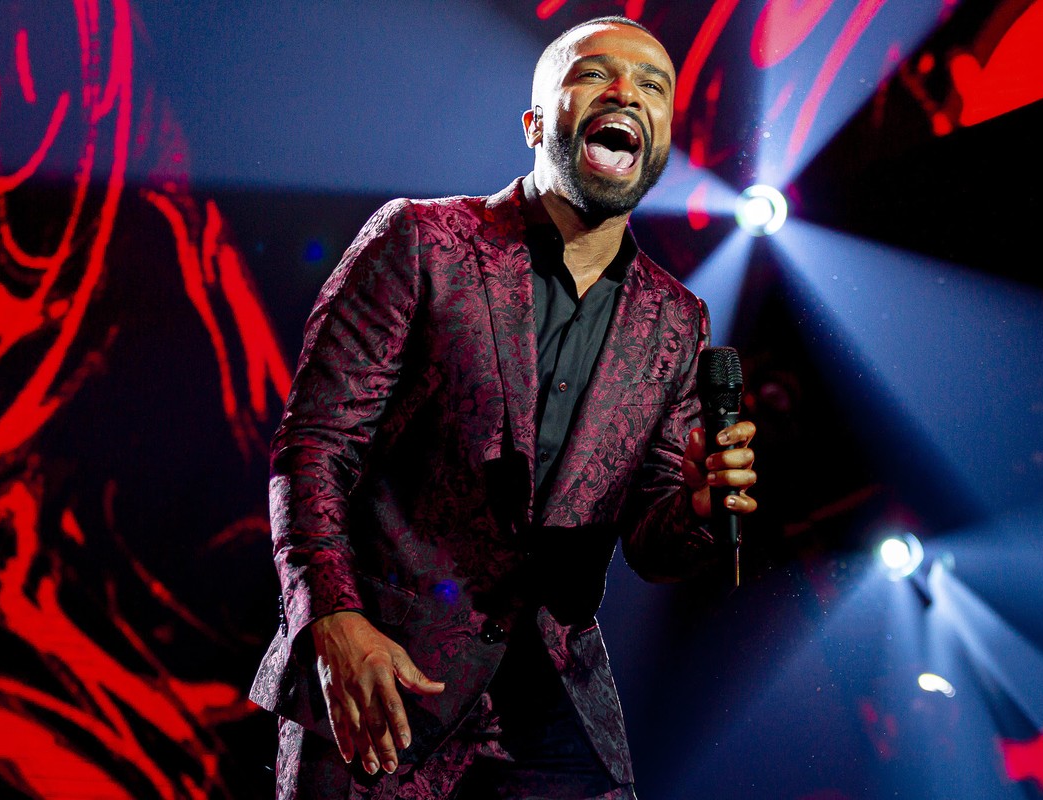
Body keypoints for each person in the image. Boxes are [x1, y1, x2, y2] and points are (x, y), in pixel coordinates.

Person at [249, 15, 758, 799]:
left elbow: (655, 548)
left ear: (660, 143)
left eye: (653, 84)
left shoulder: (675, 319)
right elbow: (315, 447)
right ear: (533, 123)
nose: (626, 91)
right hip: (388, 683)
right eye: (593, 73)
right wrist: (330, 622)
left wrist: (692, 505)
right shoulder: (423, 242)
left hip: (550, 711)